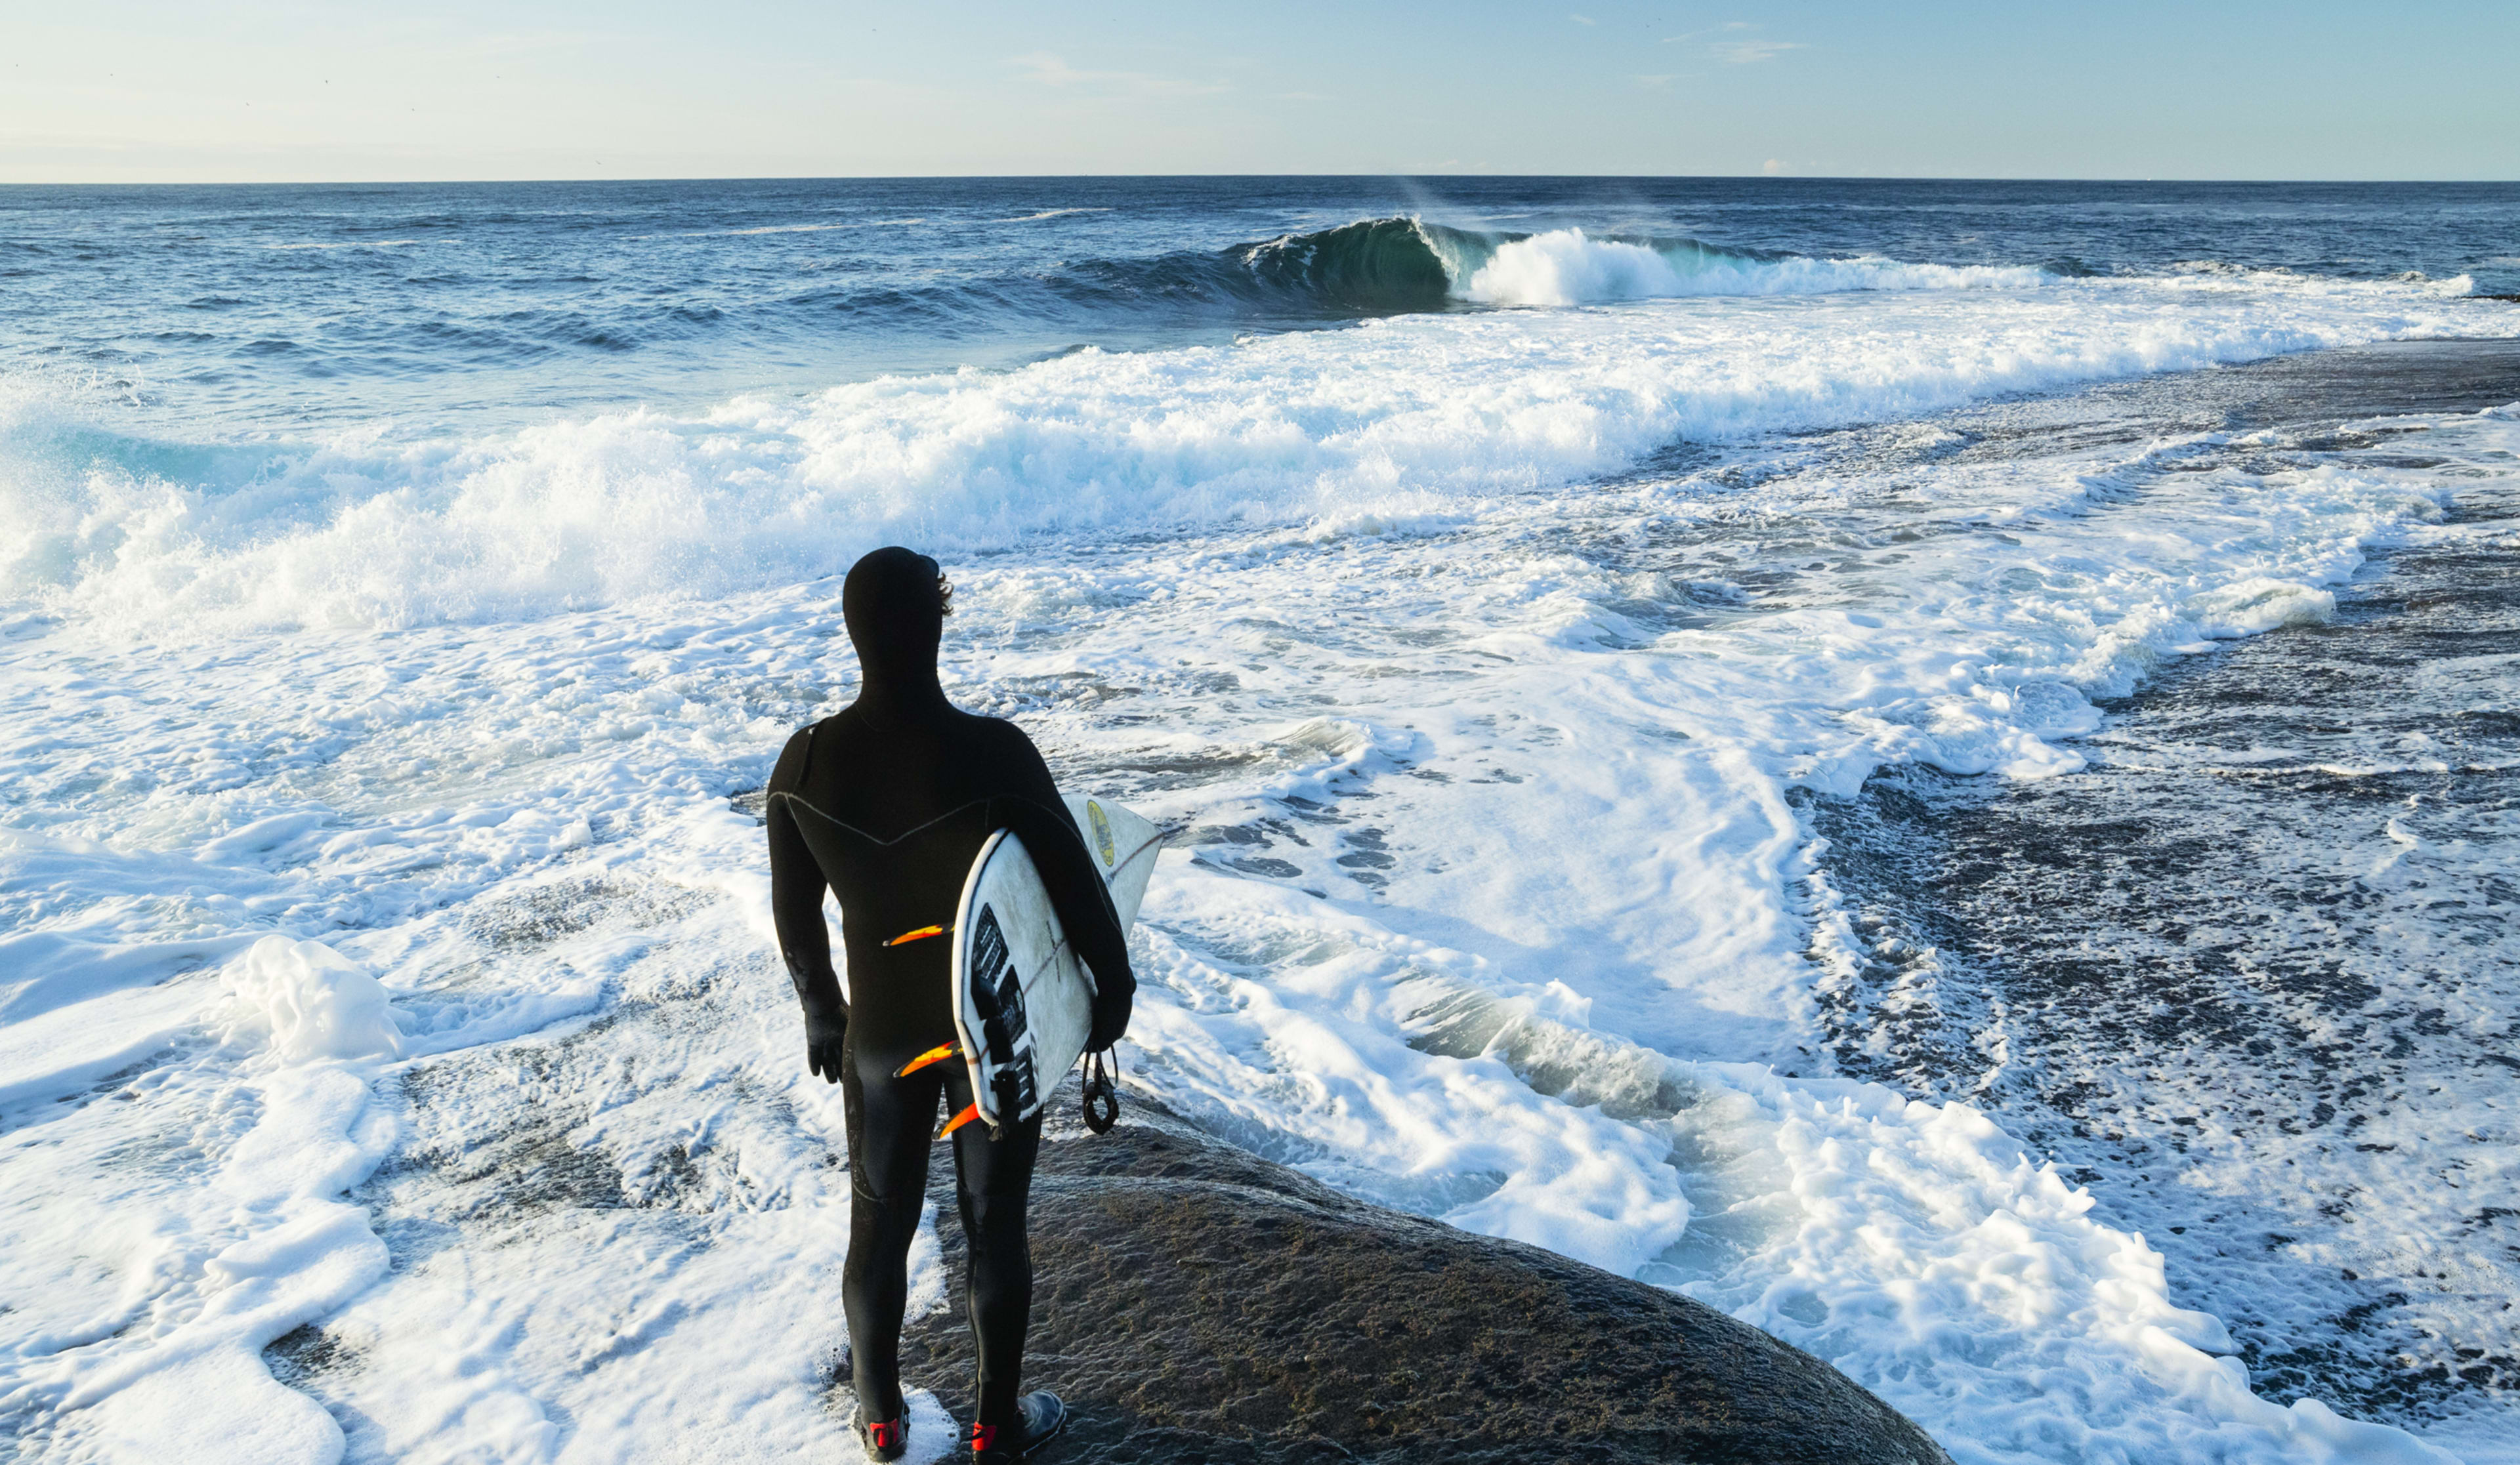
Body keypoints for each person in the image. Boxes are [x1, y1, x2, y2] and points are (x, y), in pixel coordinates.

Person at [765, 547, 1135, 1463]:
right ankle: (993, 1423)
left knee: (877, 1223)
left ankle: (881, 1418)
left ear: (853, 633)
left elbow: (792, 903)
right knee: (993, 1223)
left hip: (880, 1044)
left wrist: (821, 1005)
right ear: (939, 622)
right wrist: (1110, 993)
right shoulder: (993, 752)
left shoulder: (804, 763)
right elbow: (1076, 884)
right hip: (986, 1043)